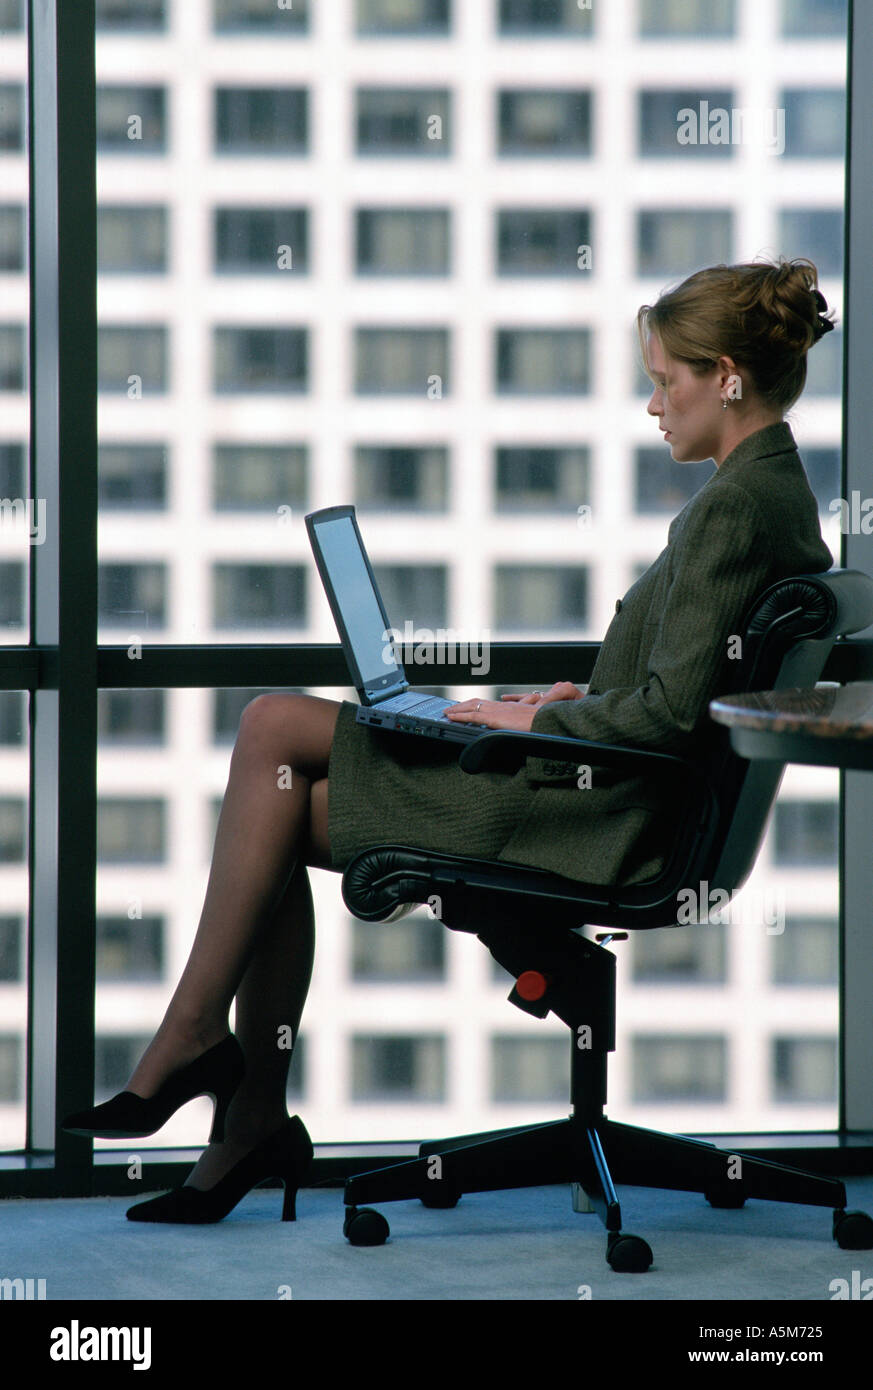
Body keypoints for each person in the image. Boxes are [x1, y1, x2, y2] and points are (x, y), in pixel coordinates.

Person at [63, 256, 835, 1222]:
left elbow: (672, 718)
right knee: (280, 810)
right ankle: (244, 1106)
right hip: (610, 788)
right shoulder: (769, 491)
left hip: (606, 817)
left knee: (270, 728)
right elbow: (674, 687)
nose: (652, 407)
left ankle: (201, 1055)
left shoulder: (734, 508)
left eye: (663, 381)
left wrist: (534, 720)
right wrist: (565, 697)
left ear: (726, 375)